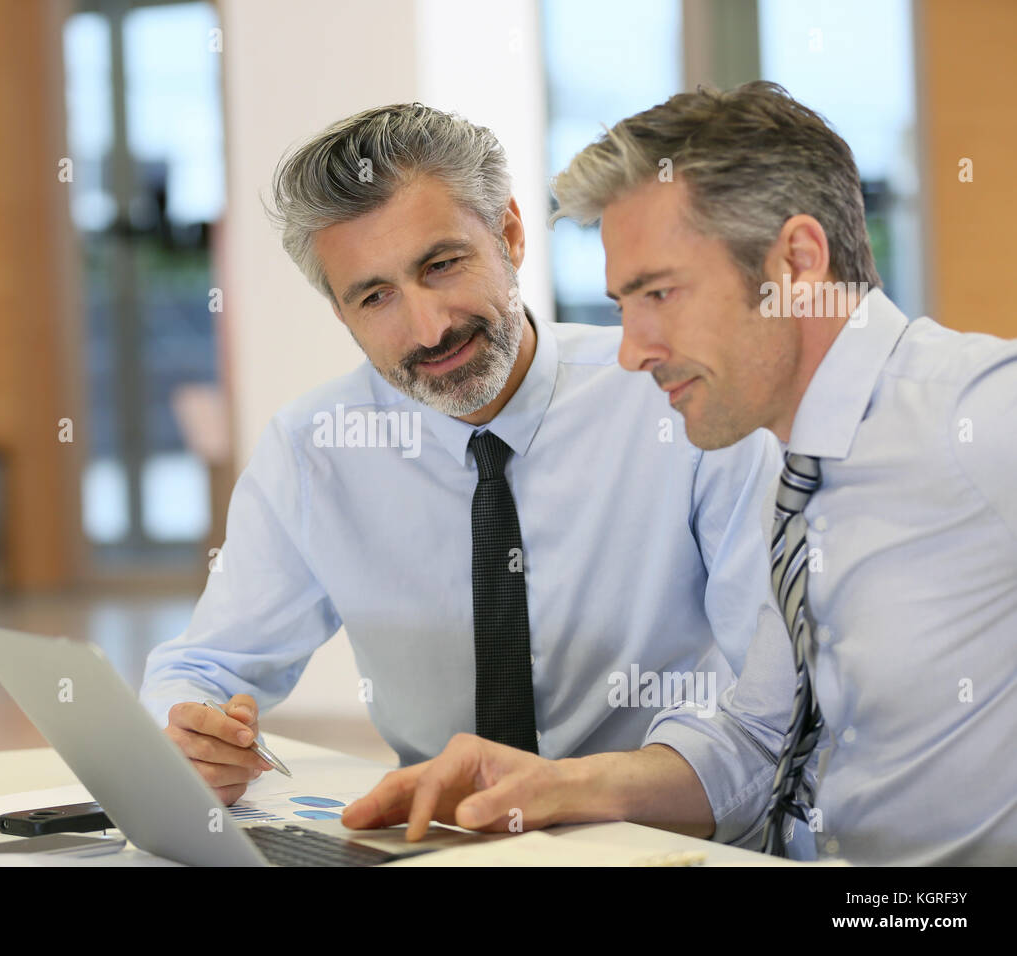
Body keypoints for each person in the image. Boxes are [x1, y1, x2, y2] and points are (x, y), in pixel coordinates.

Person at [343, 82, 1017, 865]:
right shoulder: (791, 468)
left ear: (798, 261)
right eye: (625, 304)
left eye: (660, 292)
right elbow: (757, 734)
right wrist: (554, 786)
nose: (632, 352)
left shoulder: (973, 413)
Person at [139, 103, 786, 809]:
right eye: (375, 296)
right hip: (445, 842)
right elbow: (205, 663)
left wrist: (569, 792)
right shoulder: (314, 449)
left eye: (442, 265)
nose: (429, 327)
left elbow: (765, 705)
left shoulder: (678, 402)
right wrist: (193, 736)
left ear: (510, 233)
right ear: (342, 314)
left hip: (657, 837)